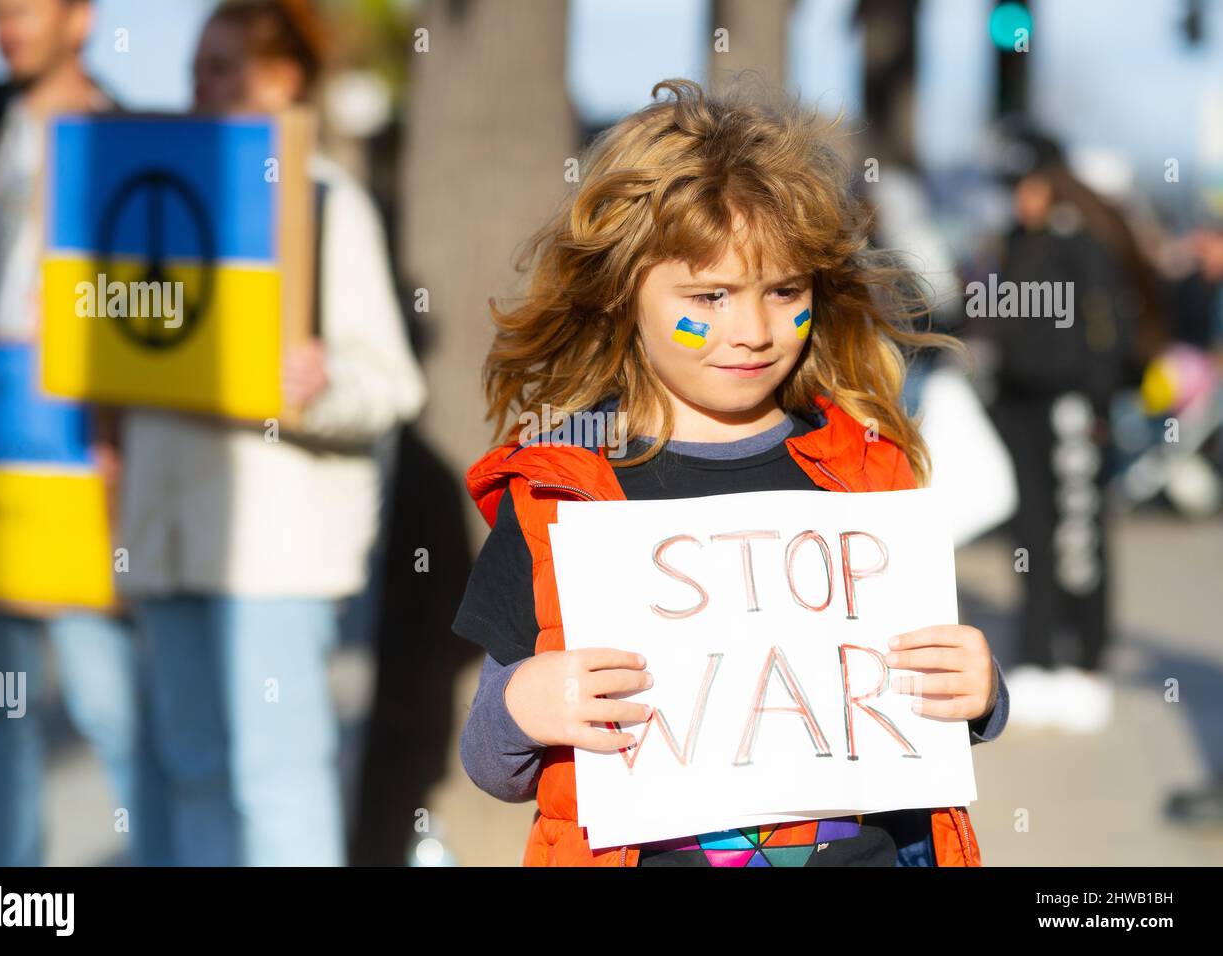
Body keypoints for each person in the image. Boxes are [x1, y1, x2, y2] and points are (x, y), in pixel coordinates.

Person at [453, 79, 1009, 867]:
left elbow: (929, 690)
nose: (750, 330)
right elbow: (488, 756)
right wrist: (524, 707)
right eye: (707, 297)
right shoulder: (557, 494)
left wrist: (982, 692)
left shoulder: (865, 471)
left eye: (785, 291)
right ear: (622, 293)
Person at [118, 0, 425, 866]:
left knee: (278, 782)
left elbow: (389, 384)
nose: (201, 88)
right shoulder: (163, 205)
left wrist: (317, 386)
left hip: (276, 559)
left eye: (225, 67)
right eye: (195, 70)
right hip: (172, 544)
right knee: (195, 777)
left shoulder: (330, 202)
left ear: (286, 77)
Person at [0, 0, 168, 866]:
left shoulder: (127, 136)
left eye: (25, 8)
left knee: (110, 702)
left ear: (81, 18)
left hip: (78, 458)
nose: (5, 24)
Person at [987, 123, 1155, 734]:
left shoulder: (1084, 244)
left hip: (1073, 409)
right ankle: (1035, 655)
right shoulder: (1010, 242)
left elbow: (1112, 331)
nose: (1019, 199)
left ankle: (1085, 660)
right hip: (1020, 411)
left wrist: (1097, 401)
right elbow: (996, 319)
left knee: (1078, 532)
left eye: (1027, 184)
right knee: (1030, 531)